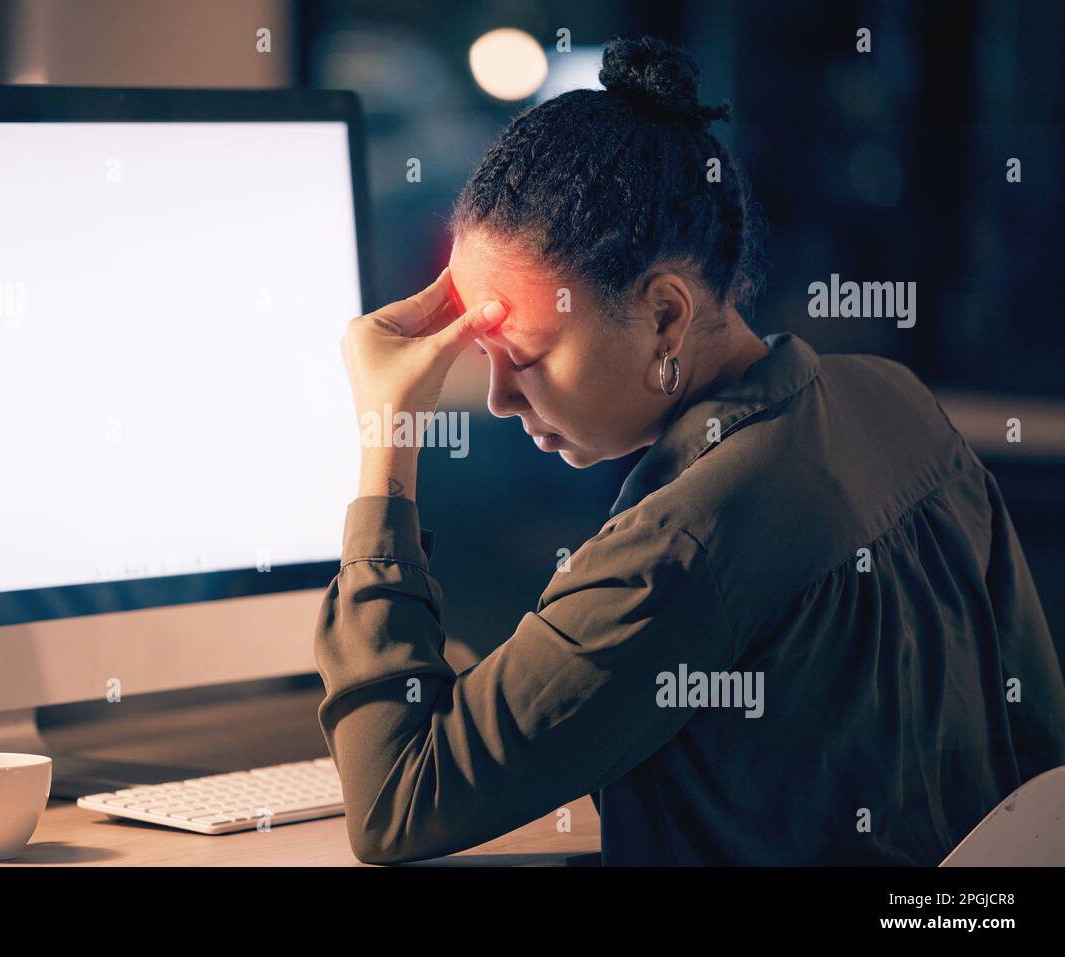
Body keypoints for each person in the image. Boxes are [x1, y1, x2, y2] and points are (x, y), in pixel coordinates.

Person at [315, 35, 1065, 865]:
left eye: (522, 357)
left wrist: (387, 436)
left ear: (666, 315)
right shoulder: (896, 402)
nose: (497, 397)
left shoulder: (678, 550)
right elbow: (1041, 757)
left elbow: (393, 804)